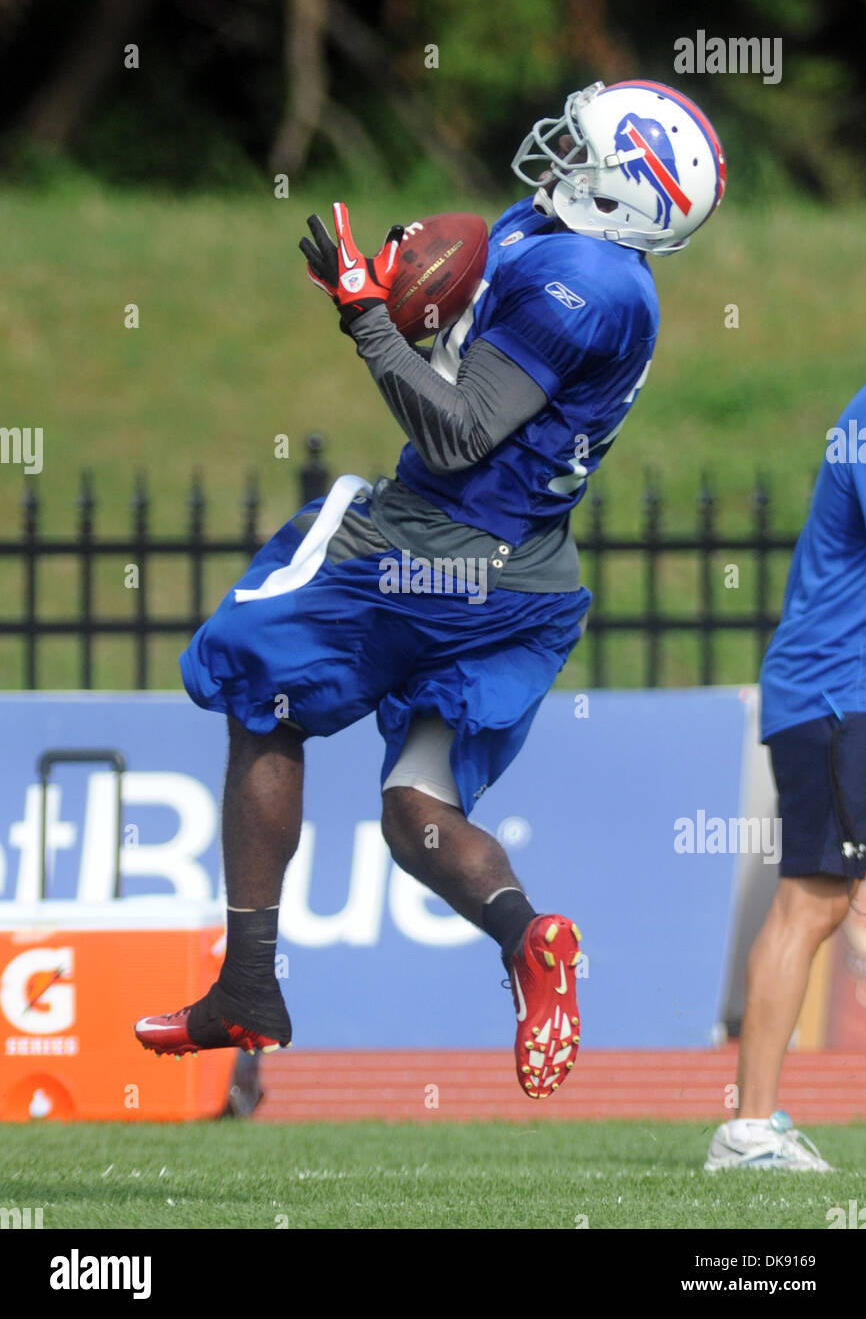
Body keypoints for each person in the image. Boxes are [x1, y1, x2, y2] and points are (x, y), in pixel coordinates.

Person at [135, 80, 726, 1099]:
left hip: (432, 551)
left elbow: (456, 430)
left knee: (251, 684)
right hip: (528, 582)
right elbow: (464, 316)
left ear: (622, 196)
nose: (555, 159)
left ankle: (246, 984)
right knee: (418, 810)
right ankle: (526, 934)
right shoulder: (560, 238)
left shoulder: (588, 280)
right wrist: (407, 287)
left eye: (581, 155)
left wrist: (368, 319)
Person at [706, 386, 866, 1170]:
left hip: (837, 697)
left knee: (826, 902)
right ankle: (748, 1129)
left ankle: (751, 1128)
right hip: (837, 696)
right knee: (814, 902)